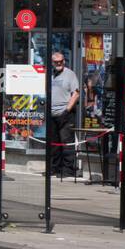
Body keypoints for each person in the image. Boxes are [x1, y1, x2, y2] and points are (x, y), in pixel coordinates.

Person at [49, 50, 80, 180]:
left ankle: (67, 170)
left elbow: (76, 93)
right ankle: (54, 169)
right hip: (51, 113)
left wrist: (67, 111)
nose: (59, 64)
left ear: (64, 61)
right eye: (56, 62)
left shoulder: (70, 75)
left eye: (61, 61)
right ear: (52, 62)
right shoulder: (49, 75)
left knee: (66, 142)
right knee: (54, 143)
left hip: (65, 113)